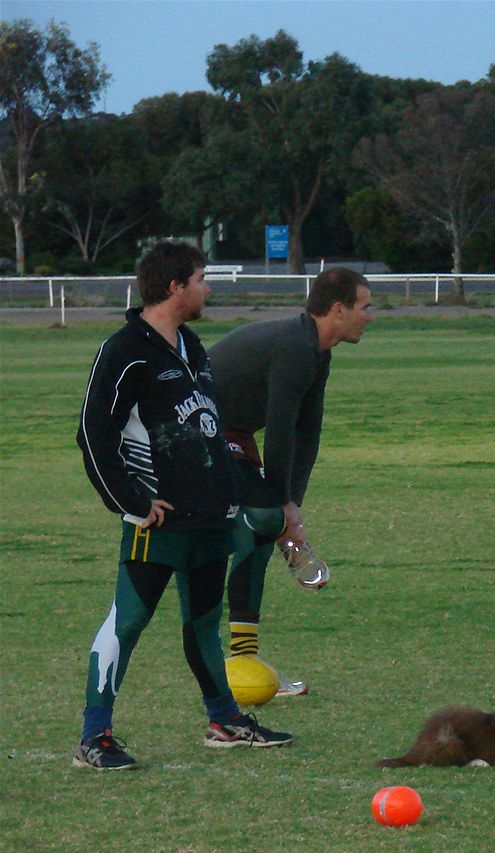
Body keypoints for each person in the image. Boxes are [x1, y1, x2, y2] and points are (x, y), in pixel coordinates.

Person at [75, 242, 293, 770]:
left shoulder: (192, 346)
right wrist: (128, 500)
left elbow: (207, 429)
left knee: (203, 624)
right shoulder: (125, 350)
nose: (207, 288)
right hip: (160, 521)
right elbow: (92, 433)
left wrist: (233, 492)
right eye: (201, 278)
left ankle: (224, 720)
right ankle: (93, 736)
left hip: (211, 519)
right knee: (127, 623)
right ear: (175, 286)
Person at [209, 267, 373, 695]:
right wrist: (282, 506)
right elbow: (280, 430)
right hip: (193, 433)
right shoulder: (296, 349)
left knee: (265, 523)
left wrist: (291, 504)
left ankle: (242, 663)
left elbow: (308, 430)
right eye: (364, 307)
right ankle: (232, 665)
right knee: (263, 517)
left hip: (231, 435)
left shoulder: (316, 350)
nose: (370, 316)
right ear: (338, 310)